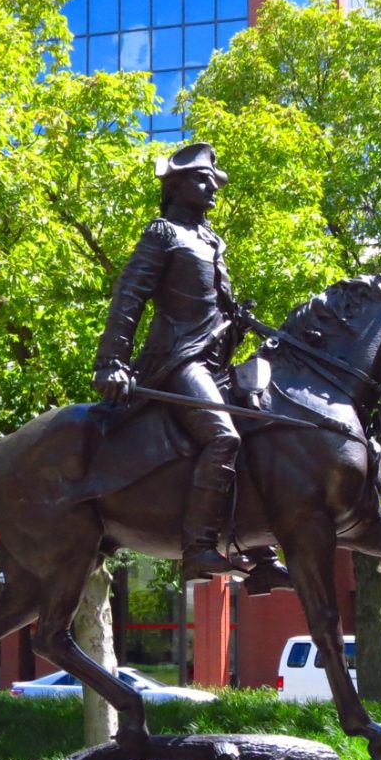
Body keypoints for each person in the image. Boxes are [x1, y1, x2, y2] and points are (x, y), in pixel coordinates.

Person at [92, 142, 289, 591]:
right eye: (202, 180)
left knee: (264, 428)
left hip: (216, 357)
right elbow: (130, 297)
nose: (212, 188)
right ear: (177, 185)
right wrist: (111, 361)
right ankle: (198, 549)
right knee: (222, 437)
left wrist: (239, 319)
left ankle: (261, 555)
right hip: (179, 359)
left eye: (214, 180)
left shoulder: (212, 240)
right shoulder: (162, 233)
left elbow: (211, 306)